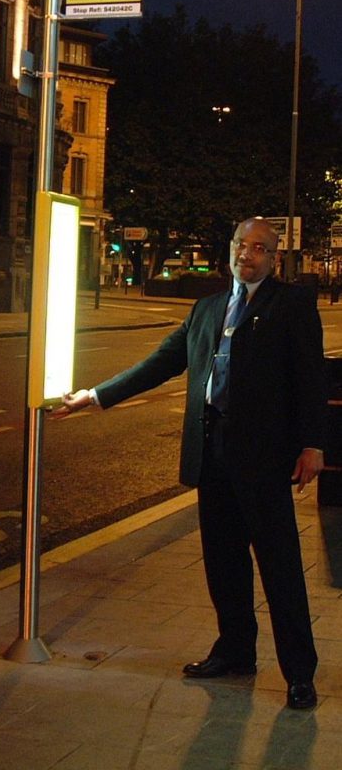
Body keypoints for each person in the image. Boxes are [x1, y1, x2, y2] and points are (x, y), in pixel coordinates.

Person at [53, 217, 326, 710]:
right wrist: (97, 395)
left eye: (258, 248)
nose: (246, 254)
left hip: (264, 460)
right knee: (223, 562)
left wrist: (313, 444)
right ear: (231, 249)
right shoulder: (207, 308)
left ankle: (299, 672)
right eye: (241, 245)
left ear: (274, 257)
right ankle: (235, 651)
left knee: (280, 567)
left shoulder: (291, 304)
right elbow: (160, 363)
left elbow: (310, 377)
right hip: (211, 452)